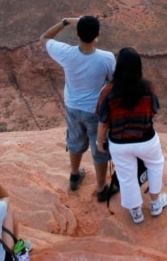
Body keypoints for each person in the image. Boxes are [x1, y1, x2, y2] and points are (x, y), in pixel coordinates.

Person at [42, 14, 116, 201]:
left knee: (74, 140)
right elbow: (113, 81)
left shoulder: (66, 53)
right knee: (99, 146)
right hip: (95, 111)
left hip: (72, 106)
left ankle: (75, 175)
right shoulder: (106, 58)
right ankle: (101, 188)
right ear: (97, 34)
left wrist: (65, 21)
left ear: (77, 33)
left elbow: (45, 38)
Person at [96, 47, 167, 224]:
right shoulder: (148, 88)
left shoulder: (108, 92)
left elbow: (103, 120)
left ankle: (136, 212)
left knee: (126, 176)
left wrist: (99, 142)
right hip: (146, 139)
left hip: (119, 142)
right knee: (155, 165)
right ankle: (155, 204)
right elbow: (154, 110)